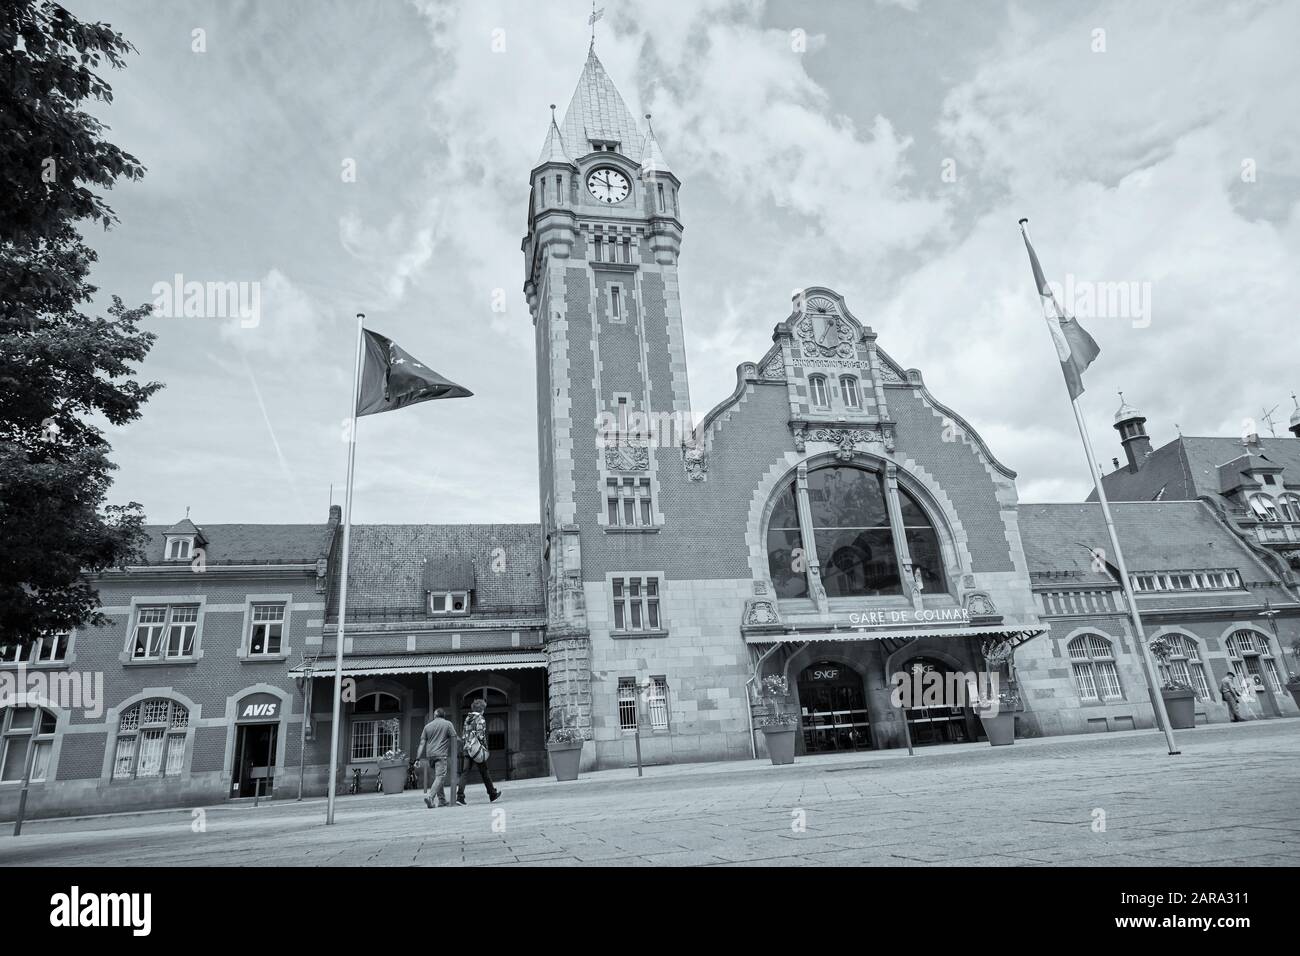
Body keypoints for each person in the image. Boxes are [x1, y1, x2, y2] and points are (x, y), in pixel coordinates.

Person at [456, 698, 501, 805]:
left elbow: (464, 735)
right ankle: (492, 794)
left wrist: (467, 744)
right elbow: (481, 735)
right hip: (477, 749)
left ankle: (460, 797)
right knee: (484, 771)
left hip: (467, 748)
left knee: (465, 772)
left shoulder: (468, 718)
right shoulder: (480, 719)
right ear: (482, 709)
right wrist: (484, 748)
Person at [415, 707, 459, 808]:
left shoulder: (427, 726)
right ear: (444, 715)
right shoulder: (448, 724)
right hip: (441, 754)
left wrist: (417, 759)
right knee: (440, 777)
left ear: (435, 715)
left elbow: (422, 743)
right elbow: (454, 737)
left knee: (438, 778)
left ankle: (442, 801)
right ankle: (430, 797)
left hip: (430, 756)